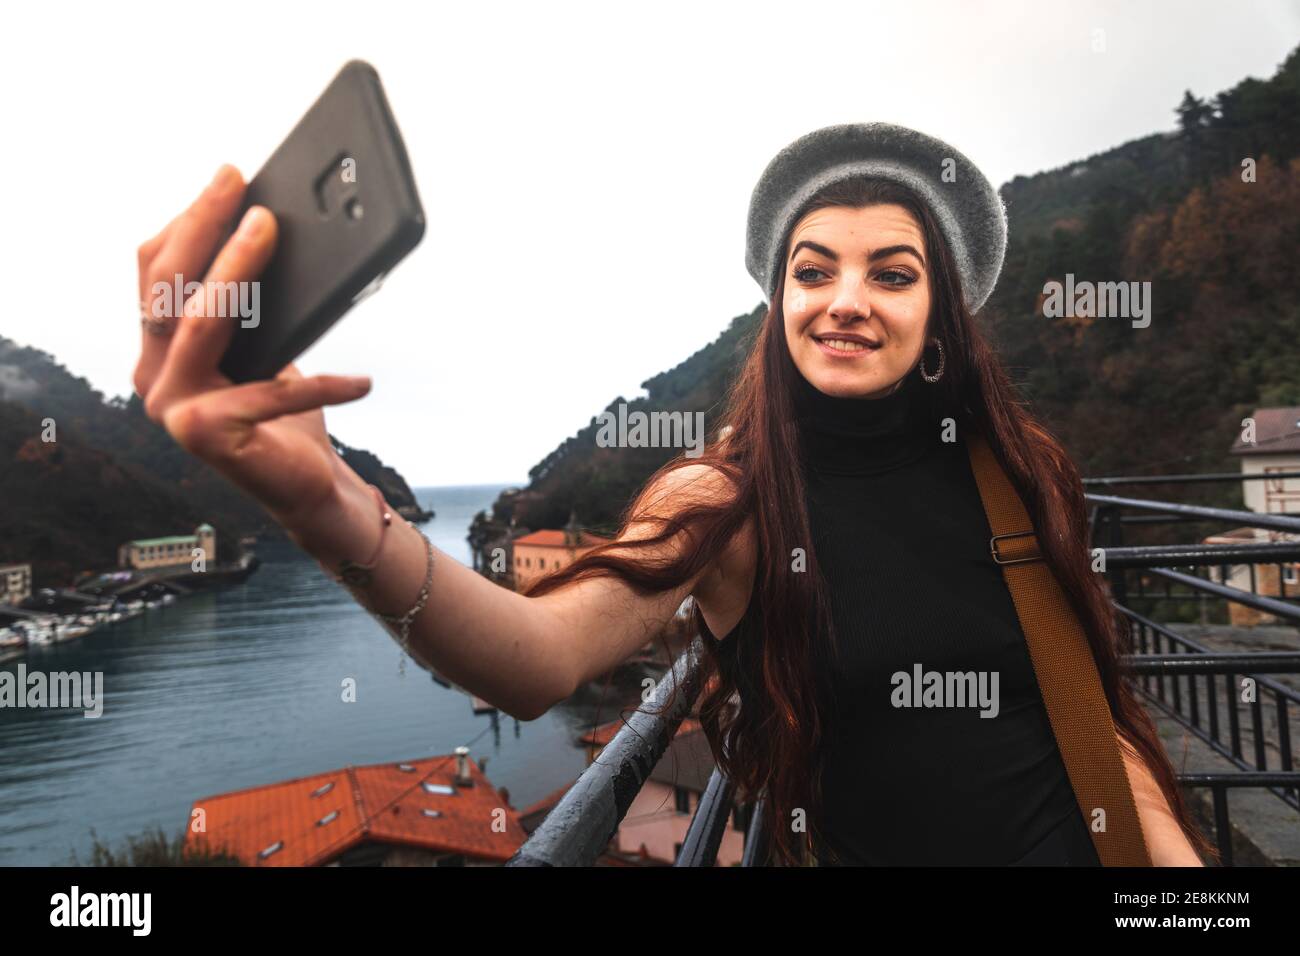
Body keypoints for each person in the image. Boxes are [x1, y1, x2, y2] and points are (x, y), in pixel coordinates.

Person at [132, 122, 1211, 867]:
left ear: (941, 314)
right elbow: (535, 655)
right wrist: (326, 502)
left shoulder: (1022, 471)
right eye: (811, 268)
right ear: (777, 301)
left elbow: (1087, 718)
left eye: (891, 272)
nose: (844, 299)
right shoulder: (730, 498)